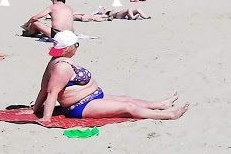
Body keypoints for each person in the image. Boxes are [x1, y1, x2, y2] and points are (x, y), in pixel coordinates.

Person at [33, 31, 187, 121]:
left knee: (128, 99)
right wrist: (46, 116)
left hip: (94, 97)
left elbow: (43, 88)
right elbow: (51, 91)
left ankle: (160, 105)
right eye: (76, 45)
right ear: (68, 49)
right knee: (129, 107)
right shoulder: (61, 67)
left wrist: (35, 109)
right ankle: (169, 115)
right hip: (81, 106)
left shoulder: (57, 61)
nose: (77, 48)